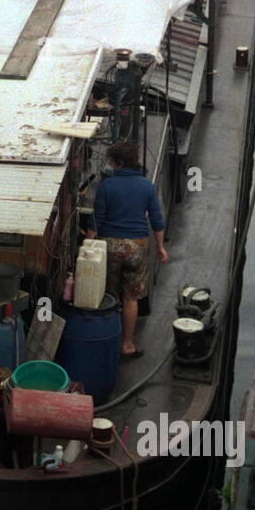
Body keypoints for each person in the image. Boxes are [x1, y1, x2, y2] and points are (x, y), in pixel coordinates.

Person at [84, 141, 168, 359]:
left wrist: (88, 245)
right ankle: (127, 344)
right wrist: (160, 247)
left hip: (110, 245)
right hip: (137, 246)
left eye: (111, 161)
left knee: (109, 295)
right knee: (131, 298)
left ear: (118, 163)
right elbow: (157, 220)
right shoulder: (147, 187)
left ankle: (107, 339)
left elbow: (96, 219)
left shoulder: (107, 186)